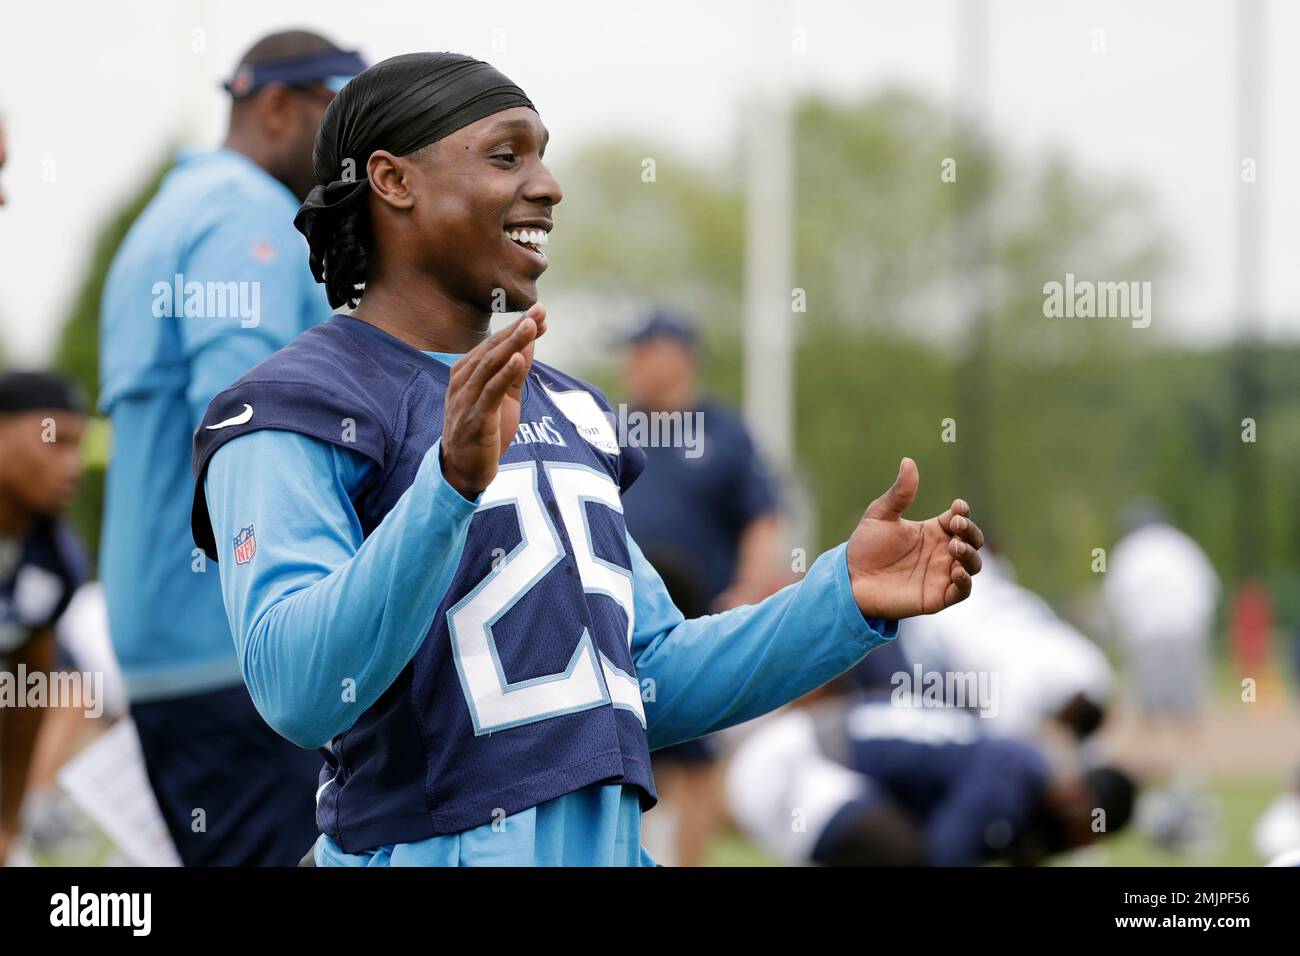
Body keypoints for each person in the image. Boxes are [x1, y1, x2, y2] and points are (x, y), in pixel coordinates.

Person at [189, 51, 985, 867]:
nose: (547, 185)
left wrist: (839, 598)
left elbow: (644, 679)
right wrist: (447, 487)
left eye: (542, 154)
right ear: (394, 180)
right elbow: (297, 690)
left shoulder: (567, 405)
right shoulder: (294, 406)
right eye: (507, 155)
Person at [98, 30, 365, 866]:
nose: (357, 154)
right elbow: (245, 425)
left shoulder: (168, 215)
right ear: (279, 108)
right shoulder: (243, 217)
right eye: (341, 118)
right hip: (235, 650)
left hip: (168, 643)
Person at [618, 309, 783, 865]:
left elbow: (763, 517)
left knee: (694, 762)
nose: (631, 363)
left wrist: (746, 590)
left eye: (643, 350)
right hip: (617, 622)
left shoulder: (723, 431)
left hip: (693, 626)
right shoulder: (614, 427)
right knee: (620, 753)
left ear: (678, 355)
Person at [725, 695, 1137, 866]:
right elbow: (939, 858)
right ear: (1074, 796)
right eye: (1085, 832)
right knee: (909, 857)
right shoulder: (1008, 785)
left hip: (808, 758)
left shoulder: (1018, 768)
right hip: (793, 766)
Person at [0, 372, 89, 865]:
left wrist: (7, 821)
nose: (73, 466)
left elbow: (26, 697)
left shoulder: (53, 561)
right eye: (56, 442)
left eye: (79, 446)